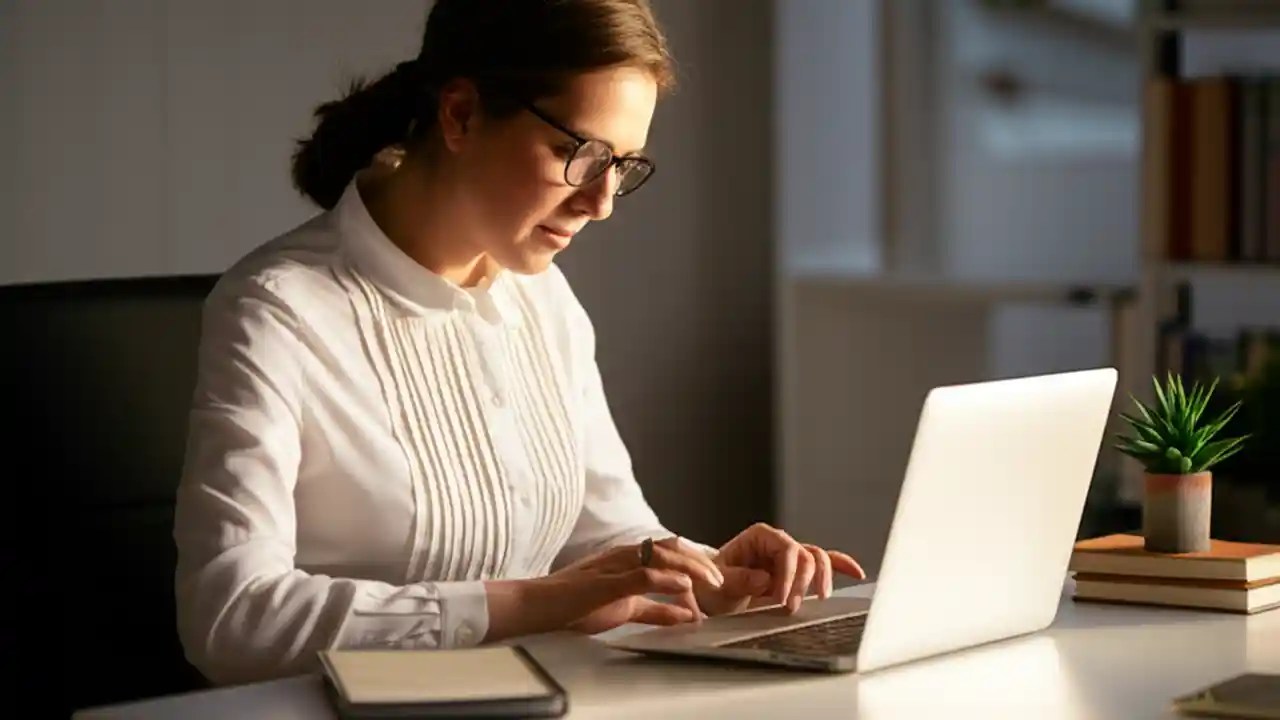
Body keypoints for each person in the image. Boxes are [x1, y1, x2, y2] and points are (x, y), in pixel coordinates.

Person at [173, 0, 865, 687]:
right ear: (461, 115)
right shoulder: (276, 311)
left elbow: (608, 536)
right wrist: (534, 602)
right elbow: (231, 619)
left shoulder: (544, 300)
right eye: (578, 153)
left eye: (622, 165)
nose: (601, 203)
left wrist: (709, 576)